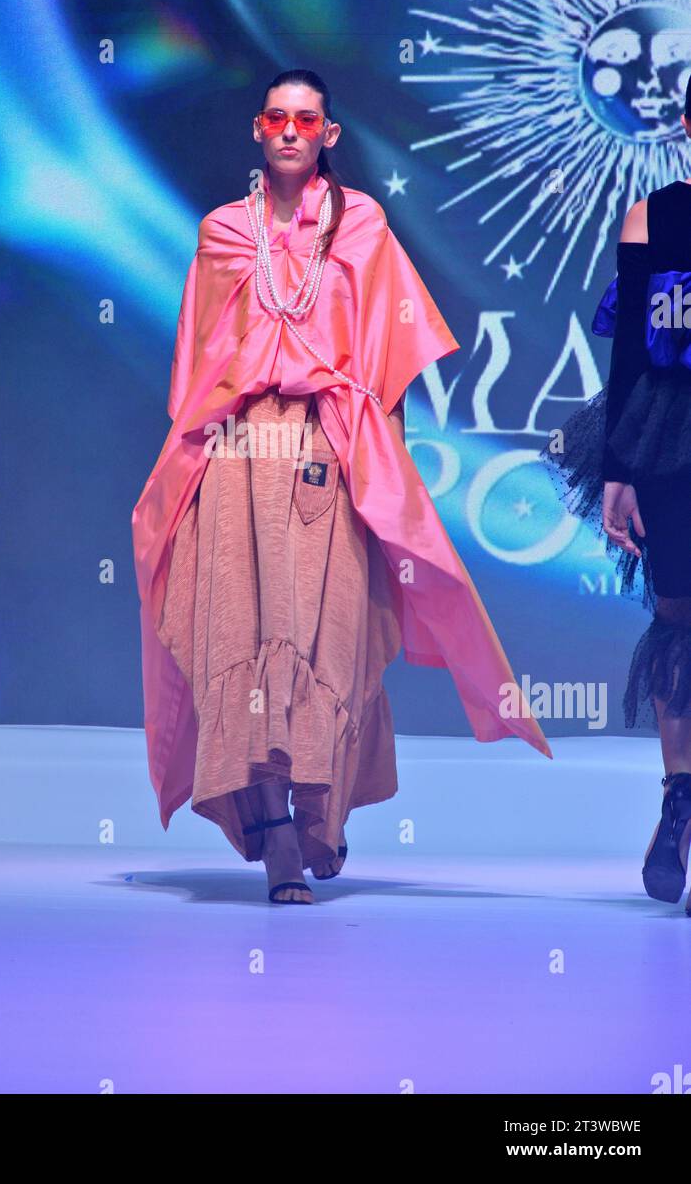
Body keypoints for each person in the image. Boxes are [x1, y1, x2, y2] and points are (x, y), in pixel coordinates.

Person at [132, 68, 551, 905]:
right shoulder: (222, 232)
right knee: (241, 634)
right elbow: (196, 374)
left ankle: (321, 810)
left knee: (331, 634)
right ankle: (276, 827)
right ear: (258, 130)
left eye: (307, 119)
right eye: (278, 118)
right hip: (238, 456)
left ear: (329, 134)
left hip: (331, 447)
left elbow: (386, 368)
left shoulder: (361, 225)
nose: (291, 130)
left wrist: (378, 473)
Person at [541, 88, 691, 914]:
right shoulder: (651, 217)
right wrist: (619, 473)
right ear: (686, 127)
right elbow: (630, 354)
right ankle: (680, 800)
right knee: (677, 614)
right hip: (670, 437)